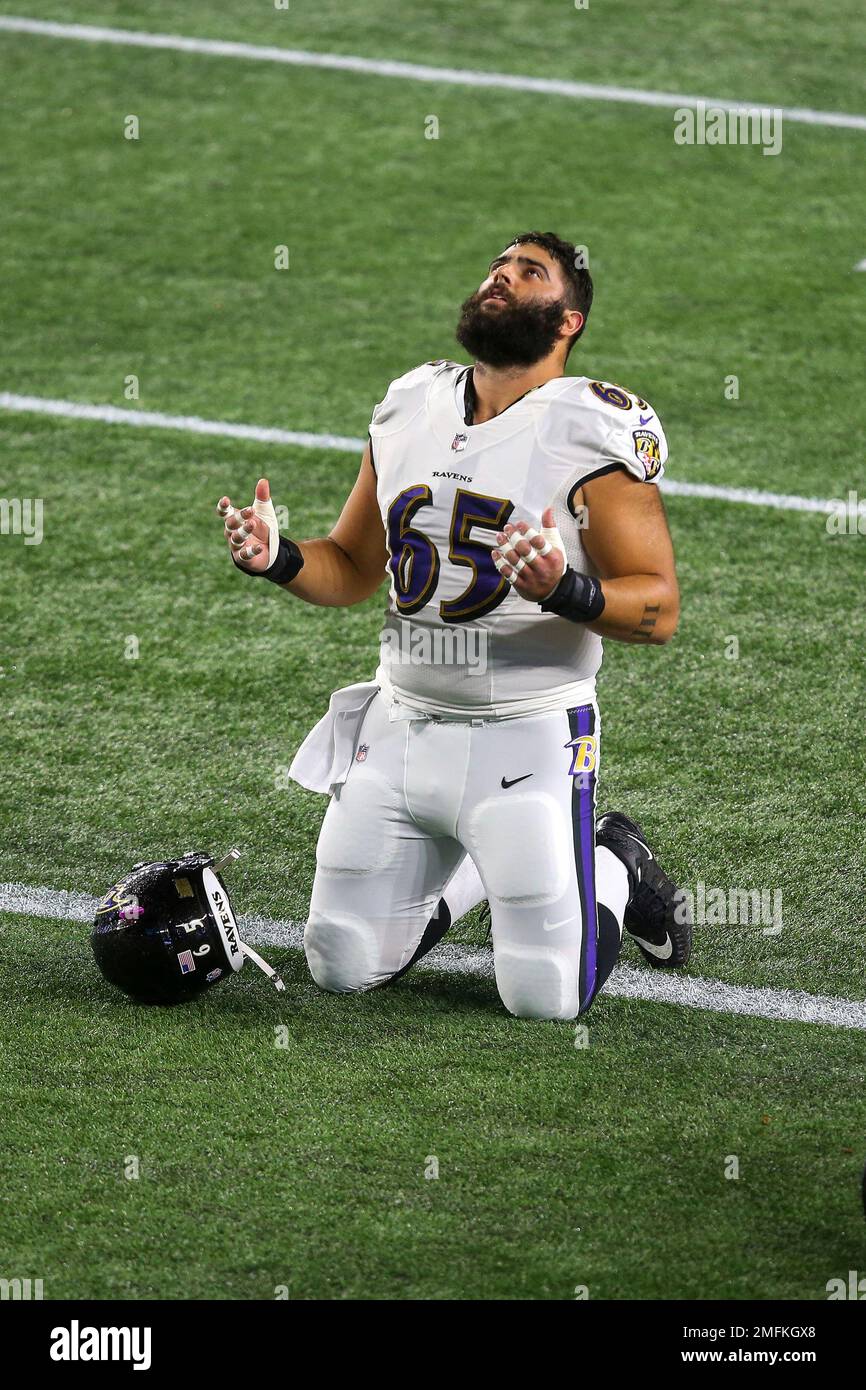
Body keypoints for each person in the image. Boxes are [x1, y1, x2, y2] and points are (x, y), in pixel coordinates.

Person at [217, 231, 691, 1020]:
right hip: (401, 725)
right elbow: (353, 564)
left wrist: (565, 588)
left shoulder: (592, 428)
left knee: (546, 998)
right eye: (498, 266)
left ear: (568, 320)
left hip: (528, 734)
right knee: (340, 964)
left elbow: (659, 608)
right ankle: (492, 862)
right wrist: (279, 560)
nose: (501, 276)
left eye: (528, 272)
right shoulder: (413, 402)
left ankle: (614, 863)